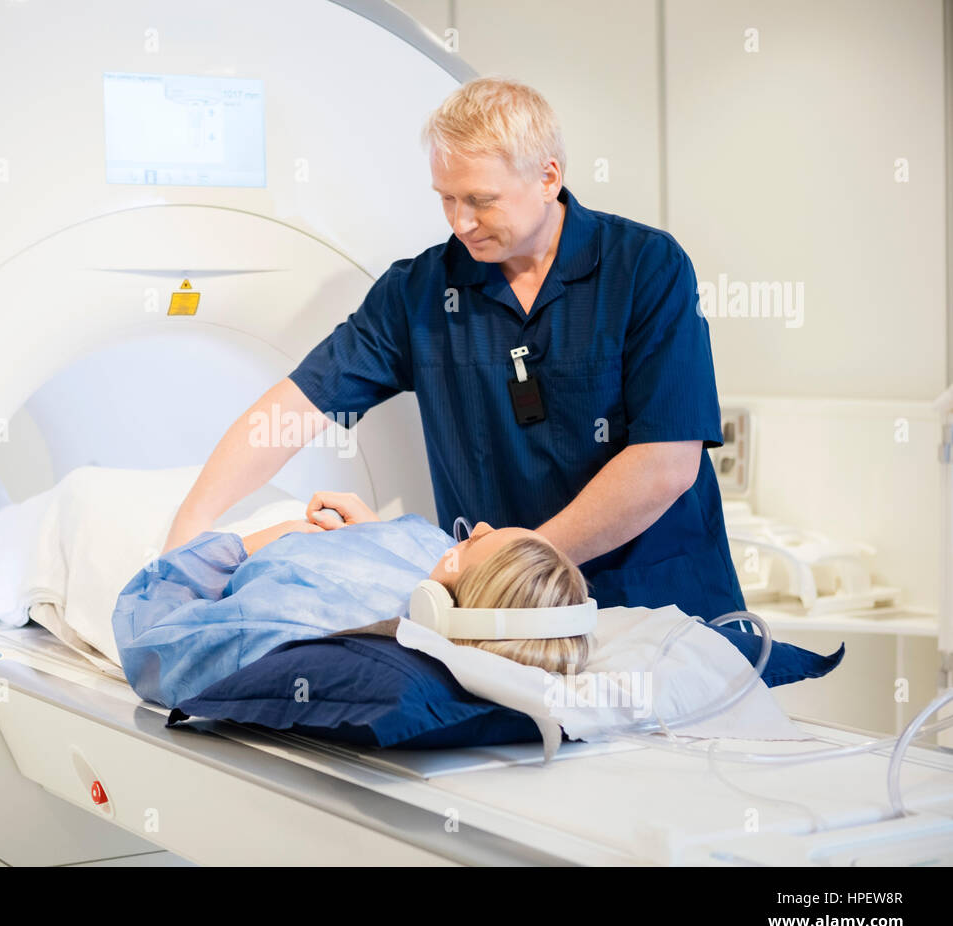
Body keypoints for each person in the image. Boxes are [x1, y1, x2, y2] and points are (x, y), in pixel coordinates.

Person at [161, 76, 744, 622]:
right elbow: (295, 408)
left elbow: (665, 463)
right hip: (500, 616)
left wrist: (507, 562)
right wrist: (189, 537)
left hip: (658, 608)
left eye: (481, 200)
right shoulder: (419, 293)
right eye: (446, 199)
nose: (461, 222)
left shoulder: (645, 267)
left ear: (548, 177)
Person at [113, 491, 589, 708]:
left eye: (468, 545)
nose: (476, 527)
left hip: (193, 538)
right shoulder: (441, 570)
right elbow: (430, 546)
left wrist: (249, 543)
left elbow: (150, 641)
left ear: (435, 604)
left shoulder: (288, 624)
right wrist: (376, 532)